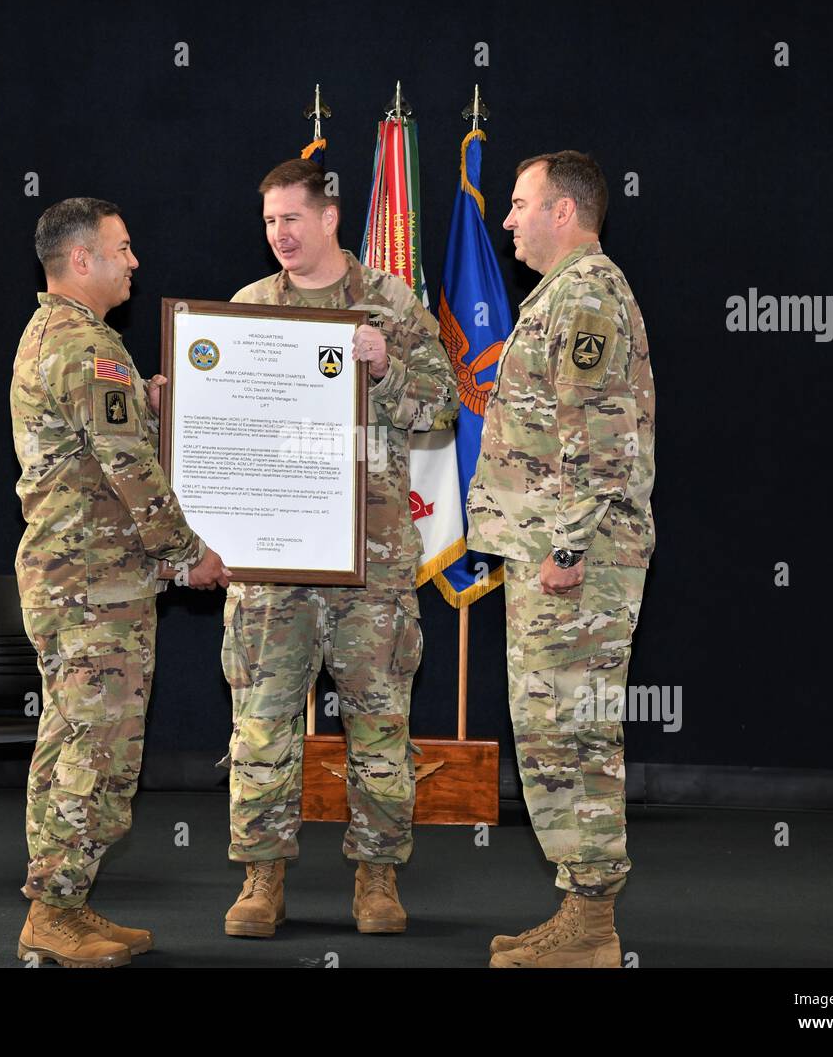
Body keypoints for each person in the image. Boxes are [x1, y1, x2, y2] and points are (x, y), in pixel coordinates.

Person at [220, 159, 459, 937]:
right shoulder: (248, 309)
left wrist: (387, 372)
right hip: (271, 561)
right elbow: (223, 425)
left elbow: (445, 410)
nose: (279, 235)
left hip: (372, 560)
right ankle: (262, 877)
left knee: (382, 725)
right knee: (261, 723)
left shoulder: (392, 301)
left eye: (292, 218)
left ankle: (378, 876)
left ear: (330, 217)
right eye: (268, 222)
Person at [10, 197, 230, 967]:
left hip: (67, 581)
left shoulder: (58, 338)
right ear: (81, 261)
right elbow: (129, 471)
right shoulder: (89, 349)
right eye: (123, 248)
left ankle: (60, 900)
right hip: (95, 588)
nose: (134, 261)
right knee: (98, 749)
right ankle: (54, 910)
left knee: (67, 738)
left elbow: (101, 440)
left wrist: (143, 399)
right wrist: (186, 553)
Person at [467, 152, 656, 968]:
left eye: (518, 204)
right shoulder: (566, 294)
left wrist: (570, 546)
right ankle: (581, 911)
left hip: (574, 558)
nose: (507, 220)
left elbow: (597, 442)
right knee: (553, 730)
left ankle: (590, 922)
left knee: (573, 730)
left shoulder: (586, 296)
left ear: (564, 212)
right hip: (552, 549)